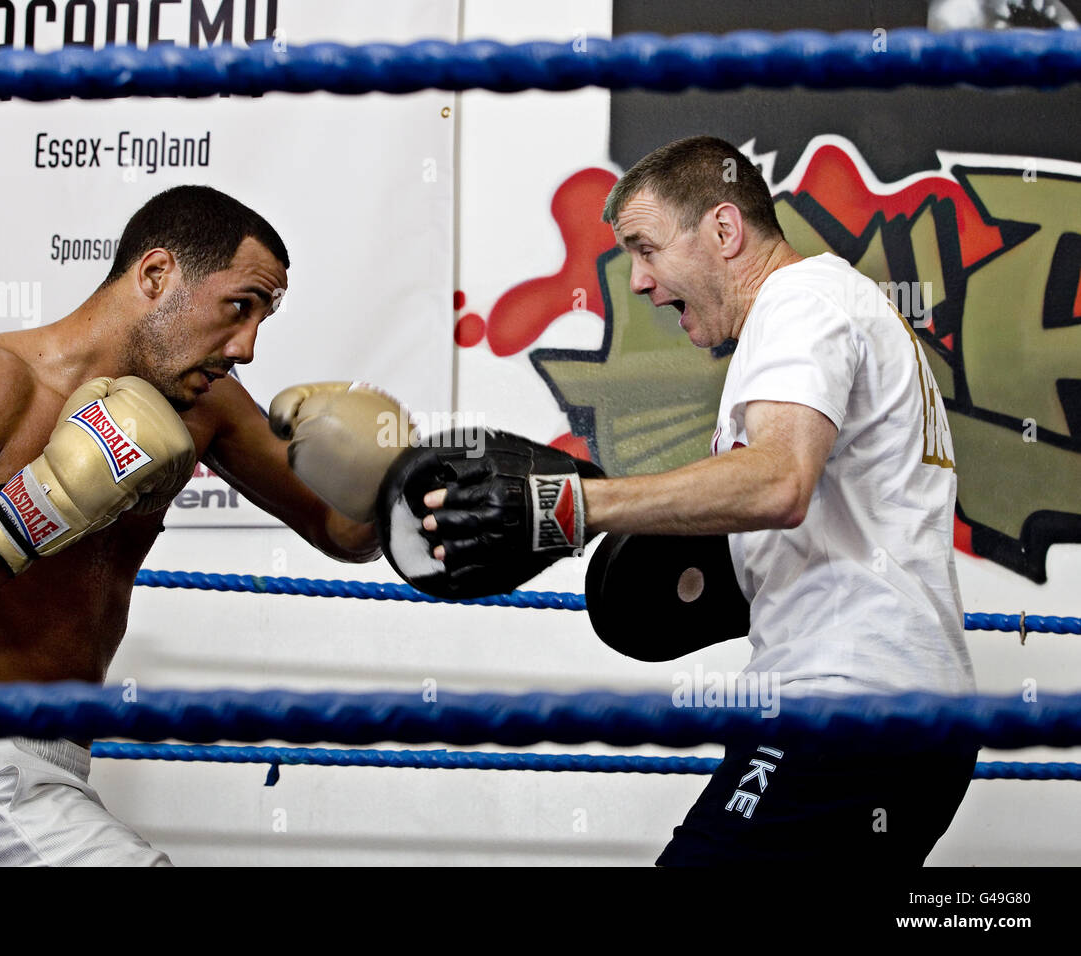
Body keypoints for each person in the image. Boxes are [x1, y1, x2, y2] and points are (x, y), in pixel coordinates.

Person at [418, 136, 978, 865]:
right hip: (901, 715)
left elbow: (780, 480)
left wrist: (569, 506)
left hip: (845, 708)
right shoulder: (836, 304)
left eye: (646, 249)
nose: (641, 281)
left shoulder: (799, 303)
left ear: (723, 230)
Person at [0, 185, 404, 866]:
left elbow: (339, 530)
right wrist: (43, 504)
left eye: (263, 319)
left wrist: (392, 482)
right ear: (155, 275)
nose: (248, 347)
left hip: (59, 767)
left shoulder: (209, 408)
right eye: (239, 307)